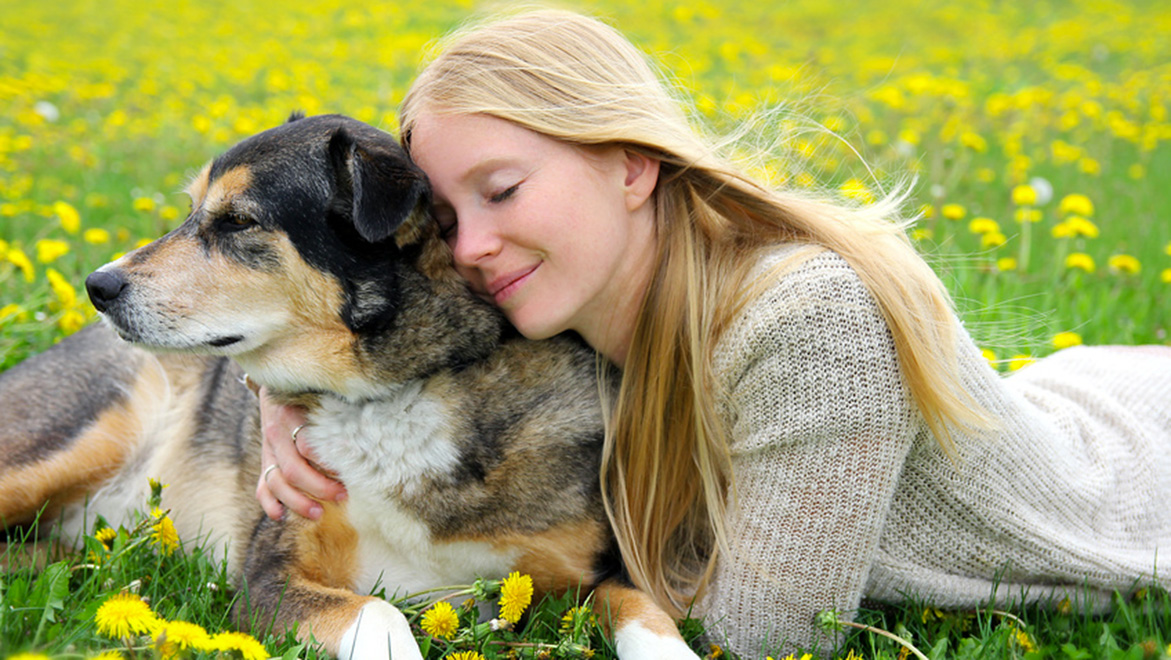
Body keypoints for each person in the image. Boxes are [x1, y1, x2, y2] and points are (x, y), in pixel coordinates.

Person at [254, 8, 1171, 657]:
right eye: (447, 220)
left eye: (503, 190)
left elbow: (762, 638)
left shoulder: (809, 330)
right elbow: (358, 285)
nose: (475, 247)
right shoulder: (544, 292)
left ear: (632, 165)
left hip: (1136, 484)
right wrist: (282, 399)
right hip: (1067, 392)